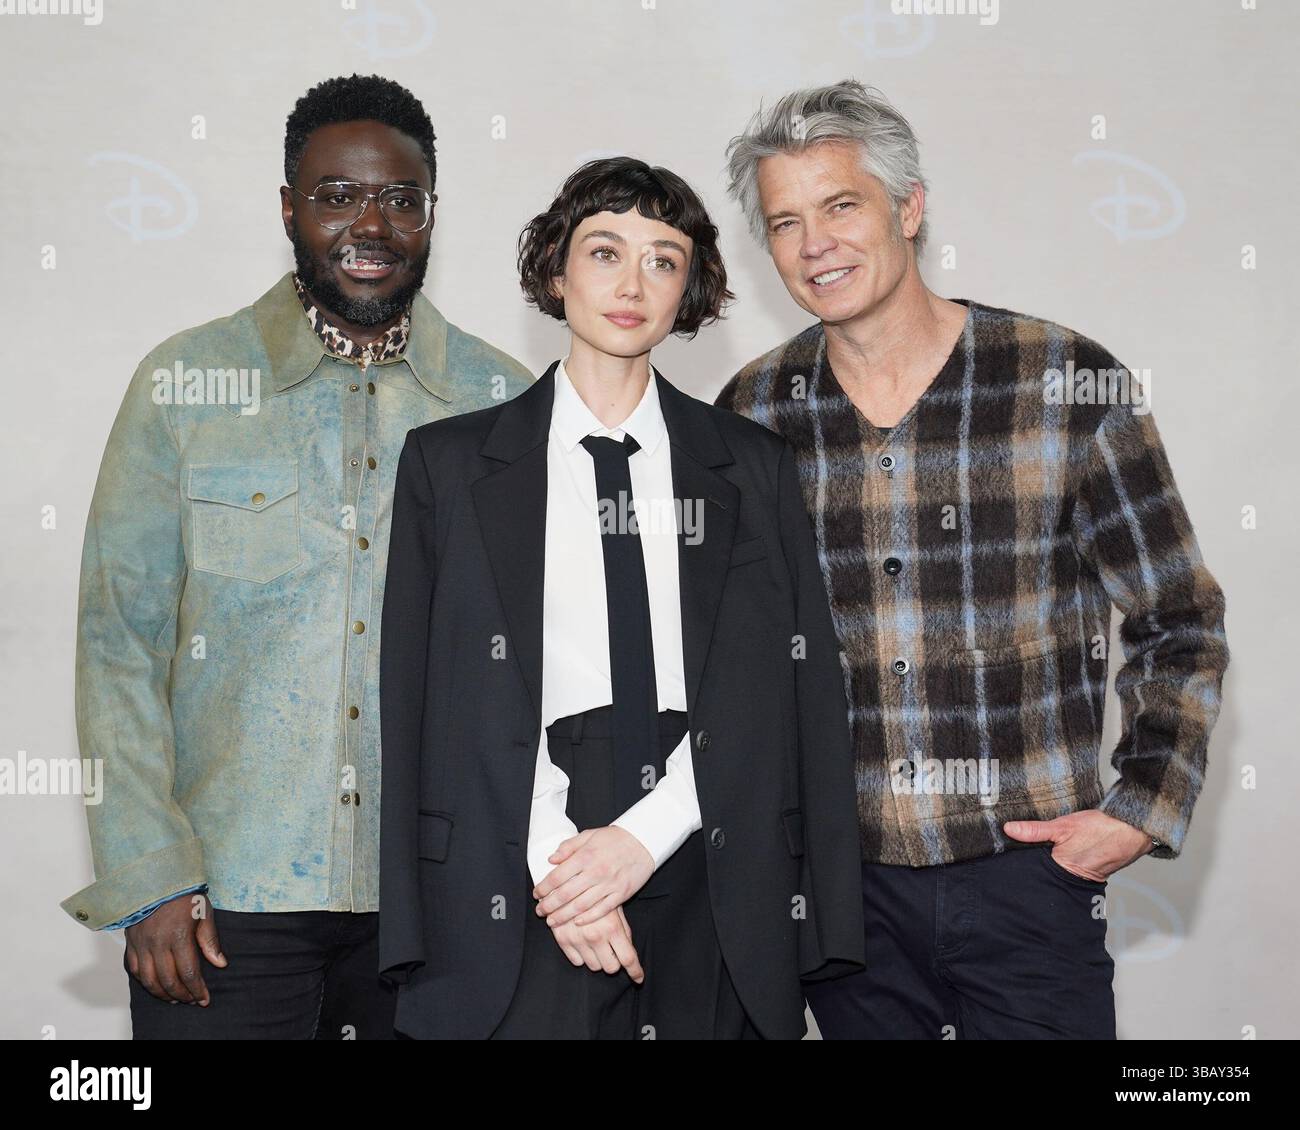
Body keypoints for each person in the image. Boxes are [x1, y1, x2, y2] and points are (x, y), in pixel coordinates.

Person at [714, 79, 1230, 1039]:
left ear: (909, 209)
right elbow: (724, 659)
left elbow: (1180, 618)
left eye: (840, 205)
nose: (815, 243)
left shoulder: (1065, 382)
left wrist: (1139, 808)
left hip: (1027, 881)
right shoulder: (754, 413)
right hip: (844, 902)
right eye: (785, 222)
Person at [60, 74, 533, 1039]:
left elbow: (539, 662)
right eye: (337, 195)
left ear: (432, 215)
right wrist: (150, 877)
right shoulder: (186, 385)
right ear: (289, 209)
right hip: (223, 903)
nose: (372, 224)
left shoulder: (501, 401)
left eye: (401, 199)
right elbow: (118, 646)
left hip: (432, 907)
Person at [378, 156, 865, 1039]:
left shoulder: (750, 467)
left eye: (663, 261)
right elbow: (430, 699)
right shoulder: (447, 467)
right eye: (604, 253)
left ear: (690, 291)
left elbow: (784, 692)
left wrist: (648, 834)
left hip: (709, 839)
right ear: (556, 272)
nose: (633, 284)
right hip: (516, 858)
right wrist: (562, 867)